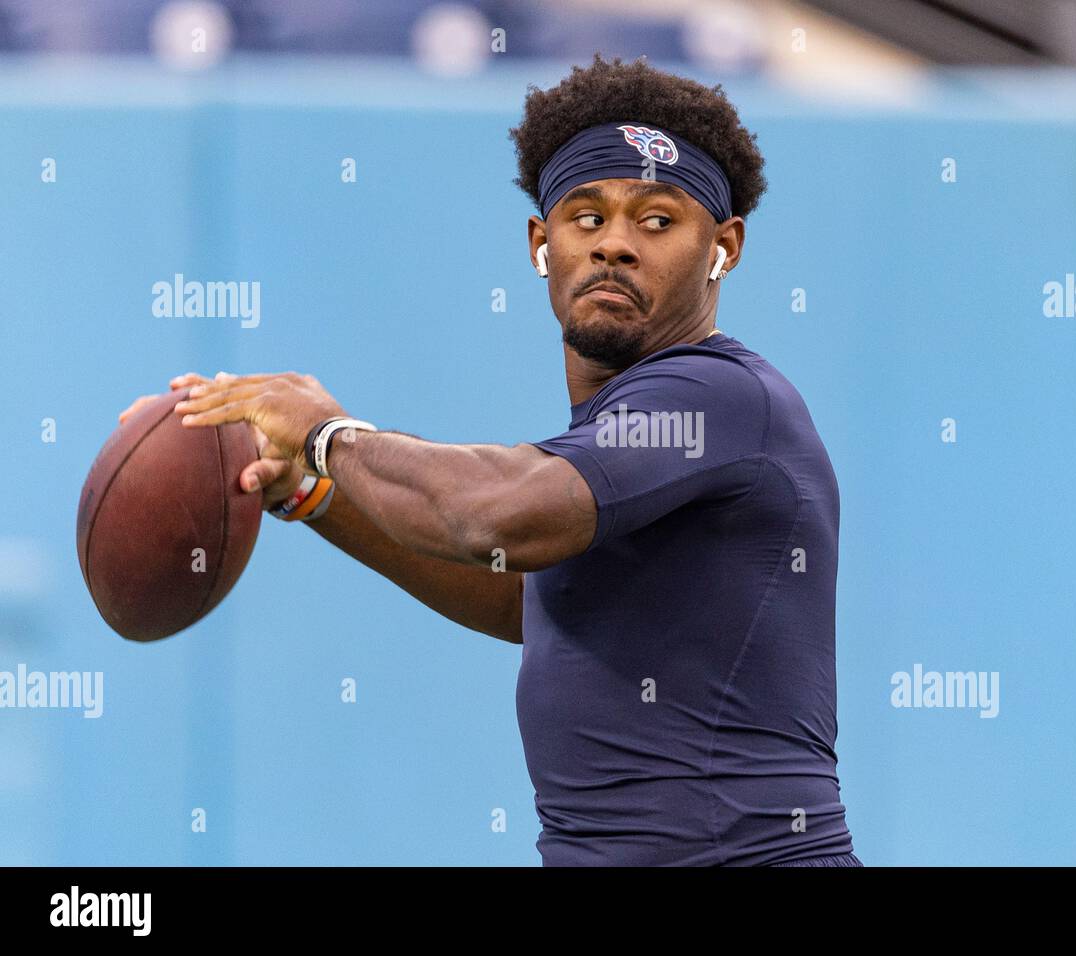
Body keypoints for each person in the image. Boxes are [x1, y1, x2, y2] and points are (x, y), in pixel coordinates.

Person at [119, 53, 859, 867]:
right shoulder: (621, 431)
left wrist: (328, 433)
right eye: (585, 217)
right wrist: (310, 491)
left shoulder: (721, 398)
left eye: (657, 221)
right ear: (542, 244)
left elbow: (500, 515)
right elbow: (525, 594)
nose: (614, 244)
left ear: (724, 248)